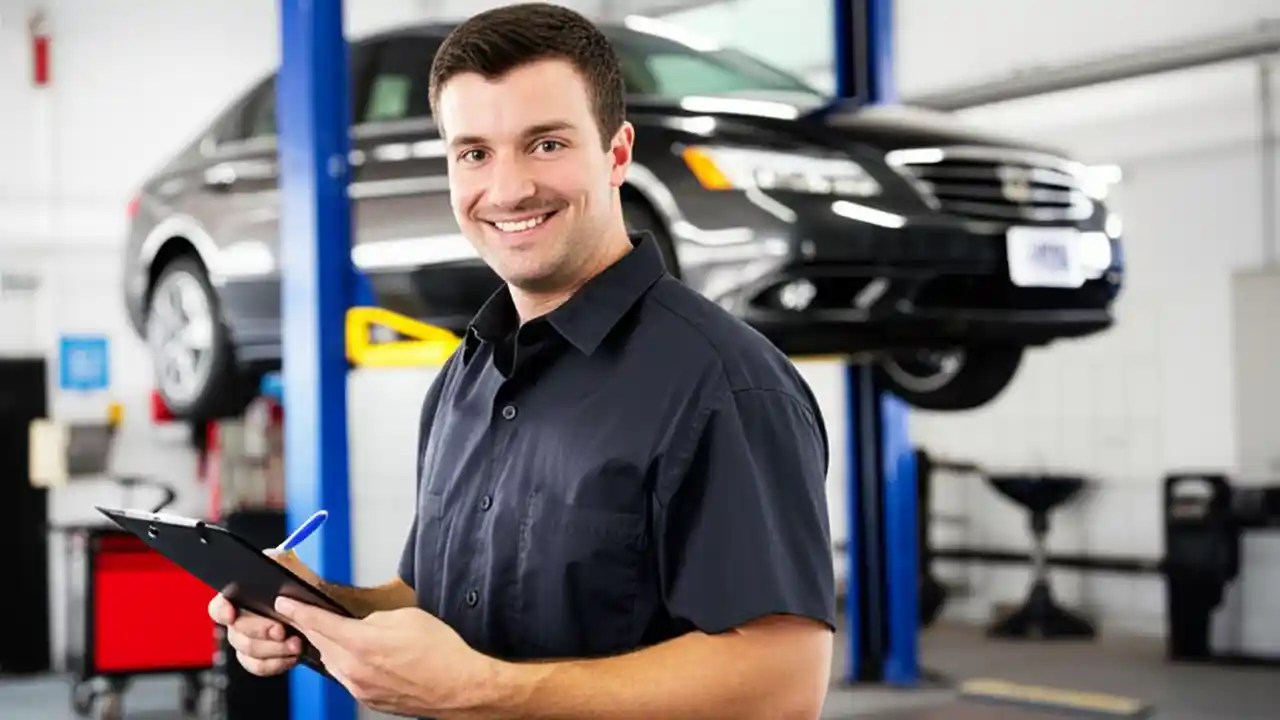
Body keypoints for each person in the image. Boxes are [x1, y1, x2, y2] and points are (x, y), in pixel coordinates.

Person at [208, 3, 835, 717]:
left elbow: (784, 682)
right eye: (474, 152)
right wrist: (314, 611)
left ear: (617, 153)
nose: (507, 190)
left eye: (545, 145)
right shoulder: (463, 379)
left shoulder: (722, 384)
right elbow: (439, 599)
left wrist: (484, 692)